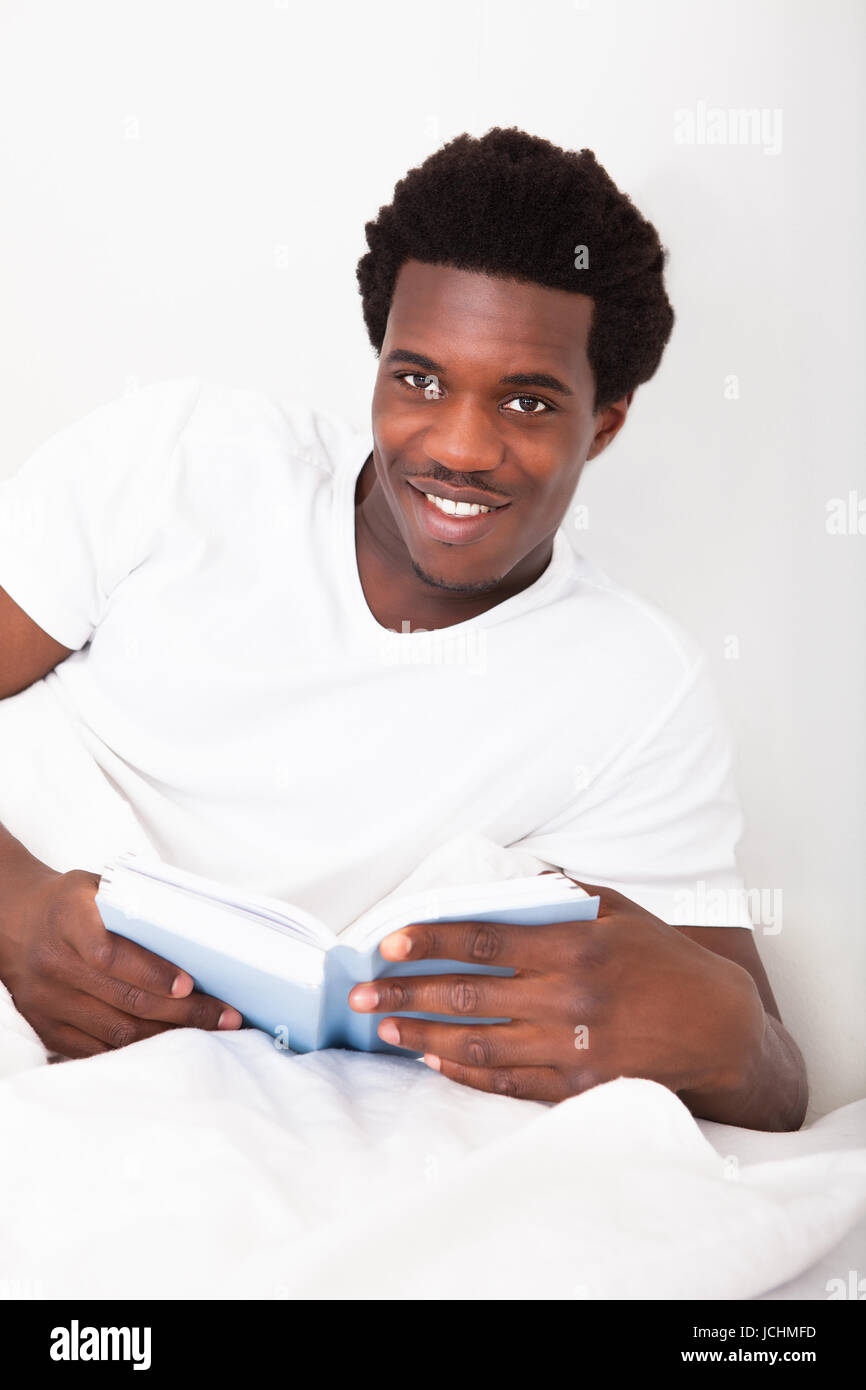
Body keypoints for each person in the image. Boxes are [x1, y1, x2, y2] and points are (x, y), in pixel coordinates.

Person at [0, 128, 807, 1129]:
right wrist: (13, 909)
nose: (460, 447)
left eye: (526, 400)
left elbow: (767, 1075)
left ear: (602, 424)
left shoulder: (632, 687)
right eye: (419, 380)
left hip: (246, 1108)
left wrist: (716, 1036)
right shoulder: (185, 461)